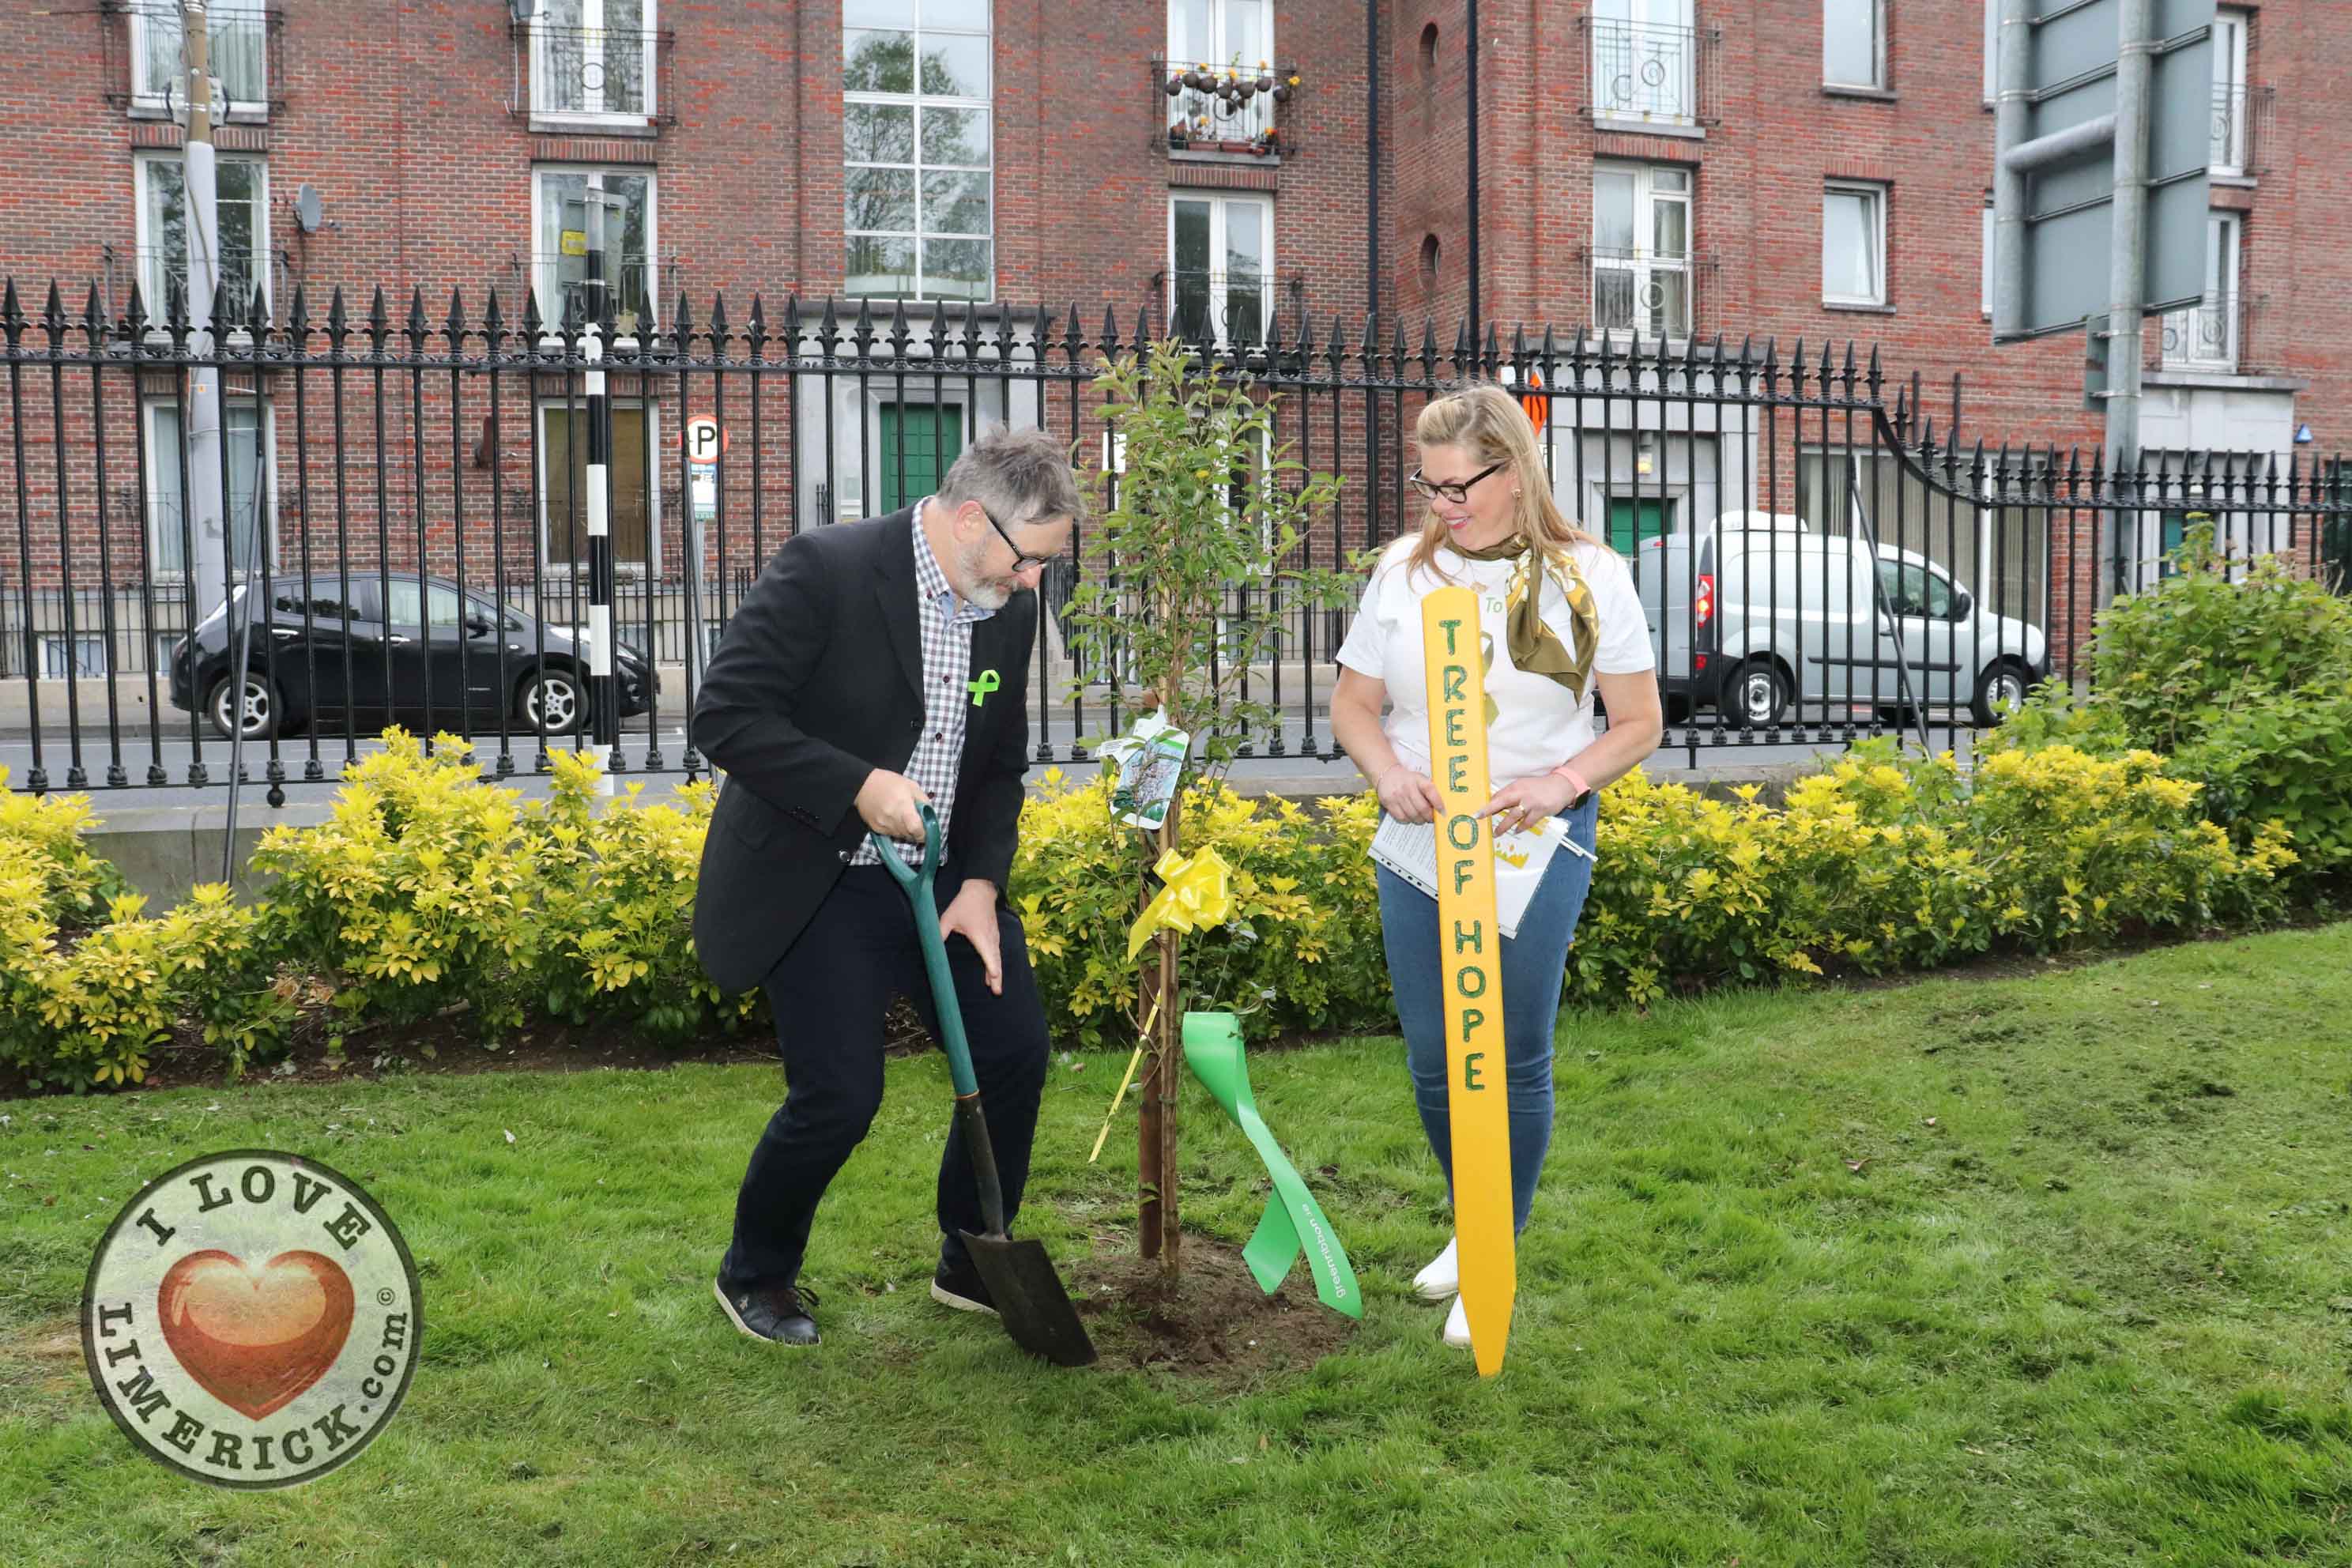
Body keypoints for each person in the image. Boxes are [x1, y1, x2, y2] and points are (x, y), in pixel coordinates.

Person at [692, 427, 1081, 1348]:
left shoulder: (1009, 608)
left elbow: (999, 765)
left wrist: (983, 880)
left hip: (943, 884)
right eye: (1031, 562)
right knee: (840, 1095)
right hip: (822, 878)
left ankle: (969, 1256)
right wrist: (859, 785)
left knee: (1014, 1052)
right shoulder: (826, 569)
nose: (1035, 585)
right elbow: (726, 715)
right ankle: (757, 1273)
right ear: (973, 520)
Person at [1329, 383, 1663, 1349]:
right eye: (1428, 486)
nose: (1442, 505)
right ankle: (1472, 1217)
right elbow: (1355, 707)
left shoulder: (1591, 574)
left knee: (1509, 1054)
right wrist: (1387, 772)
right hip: (1418, 835)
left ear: (1513, 472)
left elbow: (1639, 723)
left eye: (1459, 485)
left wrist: (1562, 781)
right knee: (1437, 1058)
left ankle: (1492, 1248)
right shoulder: (1402, 572)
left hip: (1534, 834)